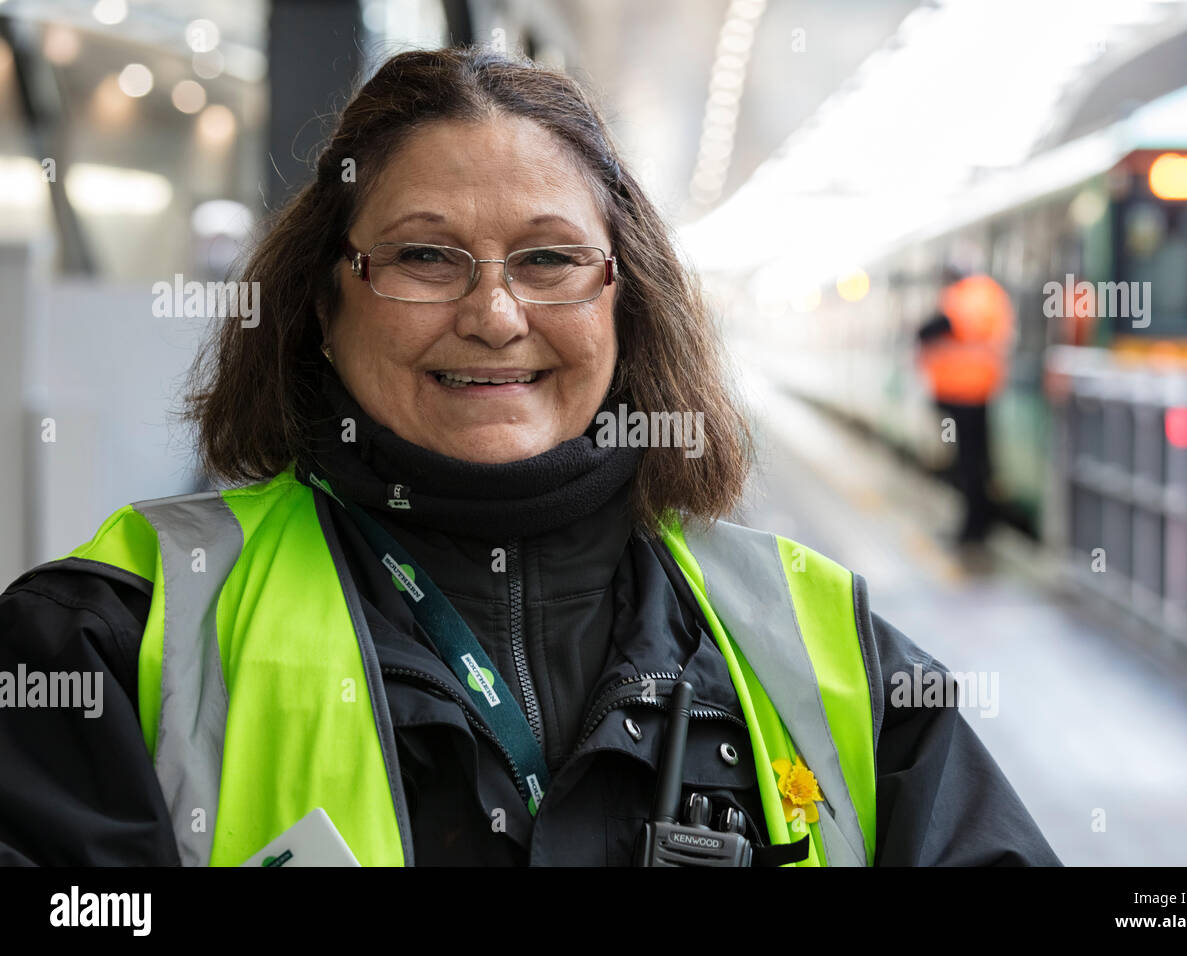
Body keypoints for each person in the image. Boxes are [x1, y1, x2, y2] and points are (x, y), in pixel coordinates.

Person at [0, 47, 1058, 867]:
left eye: (550, 259)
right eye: (424, 257)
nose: (495, 315)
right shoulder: (110, 638)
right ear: (322, 303)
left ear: (626, 302)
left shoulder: (832, 651)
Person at [916, 268, 1015, 544]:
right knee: (975, 462)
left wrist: (922, 334)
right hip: (972, 392)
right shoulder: (980, 293)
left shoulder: (973, 295)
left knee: (969, 463)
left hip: (966, 393)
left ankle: (975, 527)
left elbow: (942, 326)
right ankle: (980, 521)